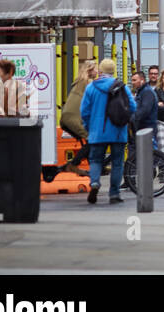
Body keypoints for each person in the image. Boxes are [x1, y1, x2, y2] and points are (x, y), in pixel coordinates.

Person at [80, 59, 135, 205]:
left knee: (96, 160)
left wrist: (88, 126)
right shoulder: (122, 87)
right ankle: (114, 194)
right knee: (117, 163)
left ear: (101, 70)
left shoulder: (91, 87)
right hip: (118, 131)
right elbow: (133, 106)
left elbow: (84, 111)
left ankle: (95, 183)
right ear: (113, 71)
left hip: (97, 131)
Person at [59, 61, 98, 172]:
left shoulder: (79, 81)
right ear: (90, 70)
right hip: (72, 119)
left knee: (88, 142)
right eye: (96, 69)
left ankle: (91, 167)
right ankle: (73, 165)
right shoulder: (87, 83)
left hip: (66, 119)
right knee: (92, 140)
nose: (97, 72)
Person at [130, 70, 158, 150]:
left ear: (142, 80)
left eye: (135, 80)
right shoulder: (141, 92)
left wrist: (132, 118)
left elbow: (144, 110)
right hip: (143, 127)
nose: (132, 82)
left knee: (152, 153)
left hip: (147, 128)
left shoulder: (147, 92)